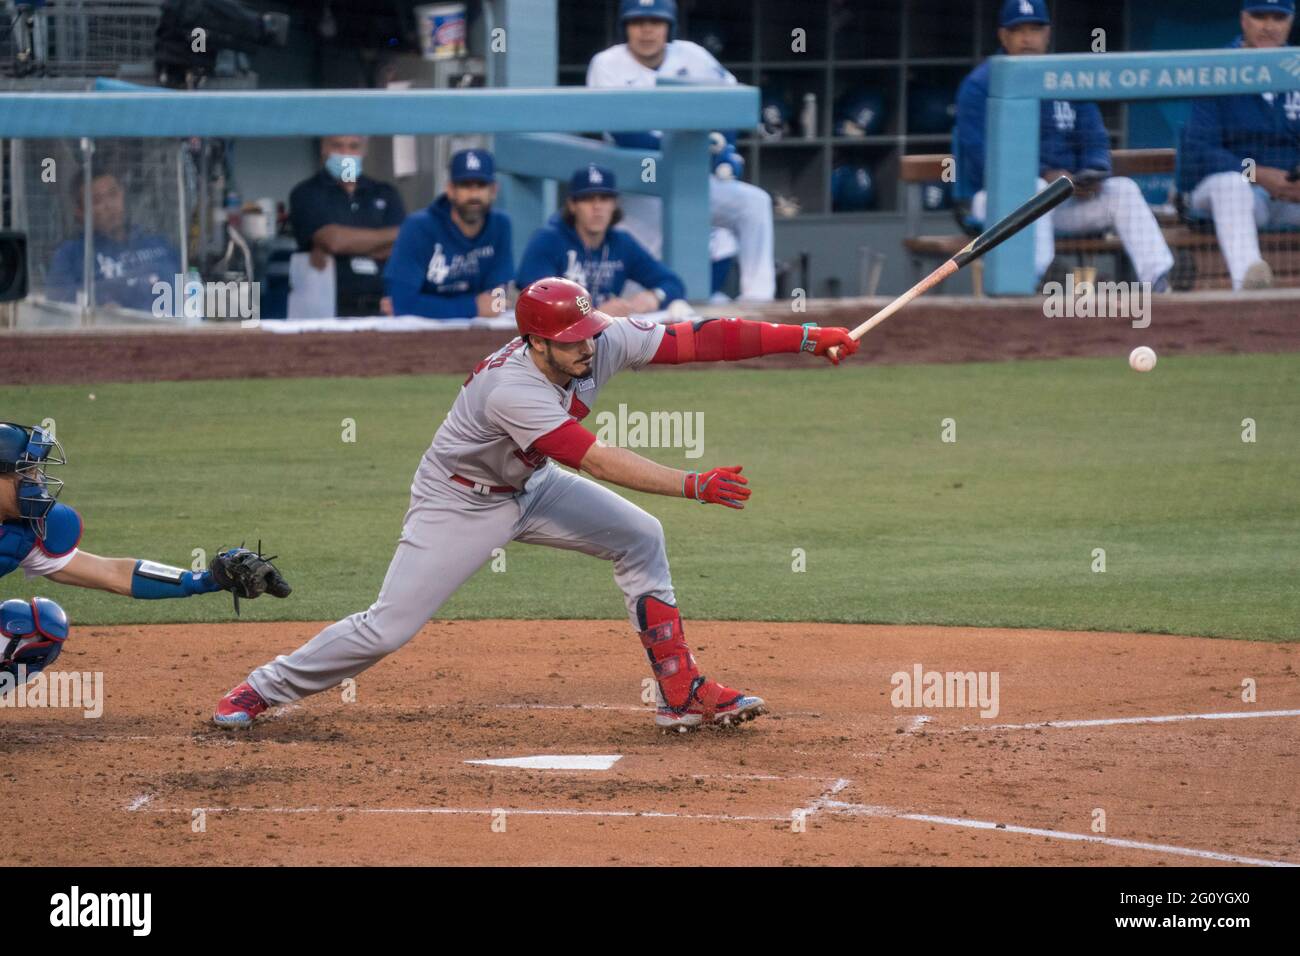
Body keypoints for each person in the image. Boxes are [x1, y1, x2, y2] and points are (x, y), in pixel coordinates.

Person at [213, 278, 859, 732]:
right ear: (536, 343)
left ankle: (682, 694)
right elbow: (598, 458)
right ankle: (259, 689)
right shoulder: (511, 389)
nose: (588, 347)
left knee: (640, 537)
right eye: (572, 340)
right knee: (389, 627)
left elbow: (703, 338)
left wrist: (805, 337)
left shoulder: (600, 341)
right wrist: (692, 483)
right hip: (458, 503)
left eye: (588, 332)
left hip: (531, 484)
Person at [0, 422, 290, 687]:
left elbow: (112, 574)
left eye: (36, 471)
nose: (37, 483)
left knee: (33, 627)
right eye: (25, 473)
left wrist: (201, 580)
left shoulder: (24, 530)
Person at [956, 0, 1174, 289]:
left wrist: (1092, 174)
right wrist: (1047, 173)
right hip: (994, 202)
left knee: (1124, 190)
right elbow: (982, 158)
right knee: (1031, 186)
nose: (1027, 38)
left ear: (1047, 34)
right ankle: (1042, 279)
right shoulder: (980, 85)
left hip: (1060, 200)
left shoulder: (1064, 78)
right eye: (1018, 30)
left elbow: (1094, 138)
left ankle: (1158, 279)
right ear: (1003, 36)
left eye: (1035, 29)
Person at [586, 0, 774, 302]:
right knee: (643, 286)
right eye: (637, 22)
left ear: (669, 27)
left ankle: (758, 298)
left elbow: (729, 102)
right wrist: (697, 151)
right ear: (625, 28)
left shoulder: (692, 55)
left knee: (754, 204)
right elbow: (623, 132)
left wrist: (725, 149)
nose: (646, 30)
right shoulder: (607, 64)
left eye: (655, 22)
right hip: (639, 185)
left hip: (689, 177)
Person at [1180, 0, 1300, 290]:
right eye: (1260, 16)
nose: (1269, 26)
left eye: (1278, 17)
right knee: (1231, 185)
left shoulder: (1297, 68)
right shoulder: (1219, 68)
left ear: (1291, 22)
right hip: (1231, 194)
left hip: (1290, 197)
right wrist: (1257, 173)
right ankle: (1249, 283)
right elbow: (1200, 152)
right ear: (1244, 20)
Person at [516, 165, 685, 316]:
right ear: (572, 205)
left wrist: (654, 297)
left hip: (607, 335)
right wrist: (592, 311)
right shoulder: (548, 239)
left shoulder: (622, 242)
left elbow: (674, 283)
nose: (597, 207)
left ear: (614, 204)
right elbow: (537, 297)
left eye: (604, 199)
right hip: (559, 341)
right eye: (588, 199)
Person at [383, 148, 515, 319]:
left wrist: (428, 305)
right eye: (465, 185)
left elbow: (498, 300)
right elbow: (400, 303)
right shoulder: (418, 227)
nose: (474, 194)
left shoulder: (501, 225)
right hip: (418, 334)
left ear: (493, 191)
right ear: (450, 190)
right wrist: (472, 307)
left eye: (481, 185)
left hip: (475, 334)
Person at [288, 134, 406, 316]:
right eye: (337, 146)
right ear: (323, 148)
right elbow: (334, 241)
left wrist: (348, 243)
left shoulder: (385, 192)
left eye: (353, 146)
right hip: (327, 308)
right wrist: (385, 239)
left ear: (364, 150)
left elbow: (403, 244)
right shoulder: (306, 192)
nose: (345, 153)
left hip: (380, 306)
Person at [46, 170, 182, 312]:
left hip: (172, 329)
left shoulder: (157, 244)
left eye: (113, 194)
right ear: (80, 212)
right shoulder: (71, 256)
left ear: (122, 195)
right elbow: (59, 309)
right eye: (97, 200)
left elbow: (189, 290)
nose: (109, 206)